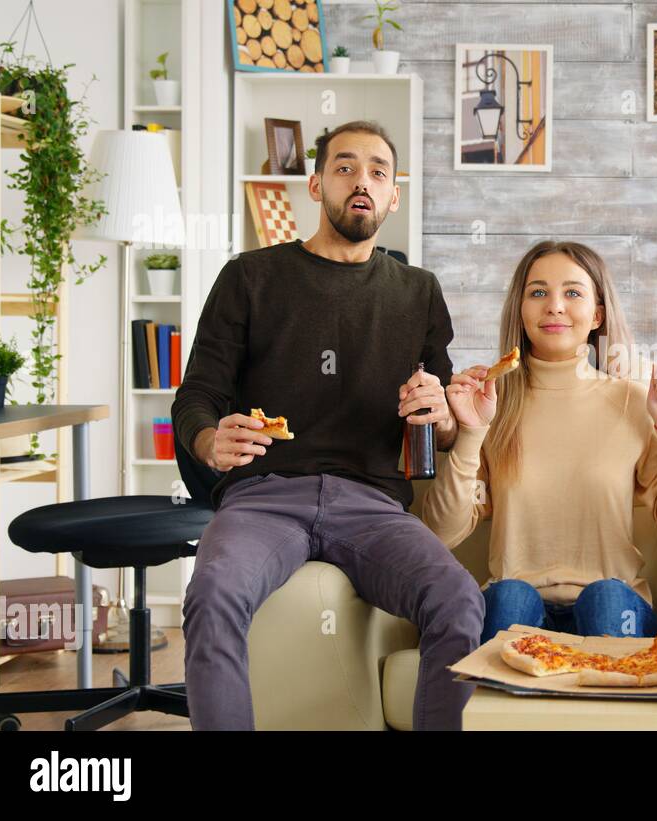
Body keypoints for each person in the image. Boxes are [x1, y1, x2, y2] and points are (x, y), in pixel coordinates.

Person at [173, 120, 484, 731]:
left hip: (374, 505)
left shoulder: (419, 292)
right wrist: (210, 441)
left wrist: (444, 413)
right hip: (263, 497)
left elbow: (444, 428)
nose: (361, 182)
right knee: (212, 595)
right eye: (345, 168)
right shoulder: (249, 276)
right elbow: (197, 395)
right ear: (316, 186)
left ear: (393, 196)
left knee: (458, 599)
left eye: (377, 172)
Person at [421, 241, 657, 643]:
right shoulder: (493, 402)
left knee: (605, 598)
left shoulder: (633, 401)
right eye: (538, 293)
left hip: (614, 609)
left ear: (597, 314)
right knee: (508, 596)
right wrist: (471, 433)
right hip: (519, 605)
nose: (554, 306)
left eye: (572, 292)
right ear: (521, 310)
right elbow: (440, 534)